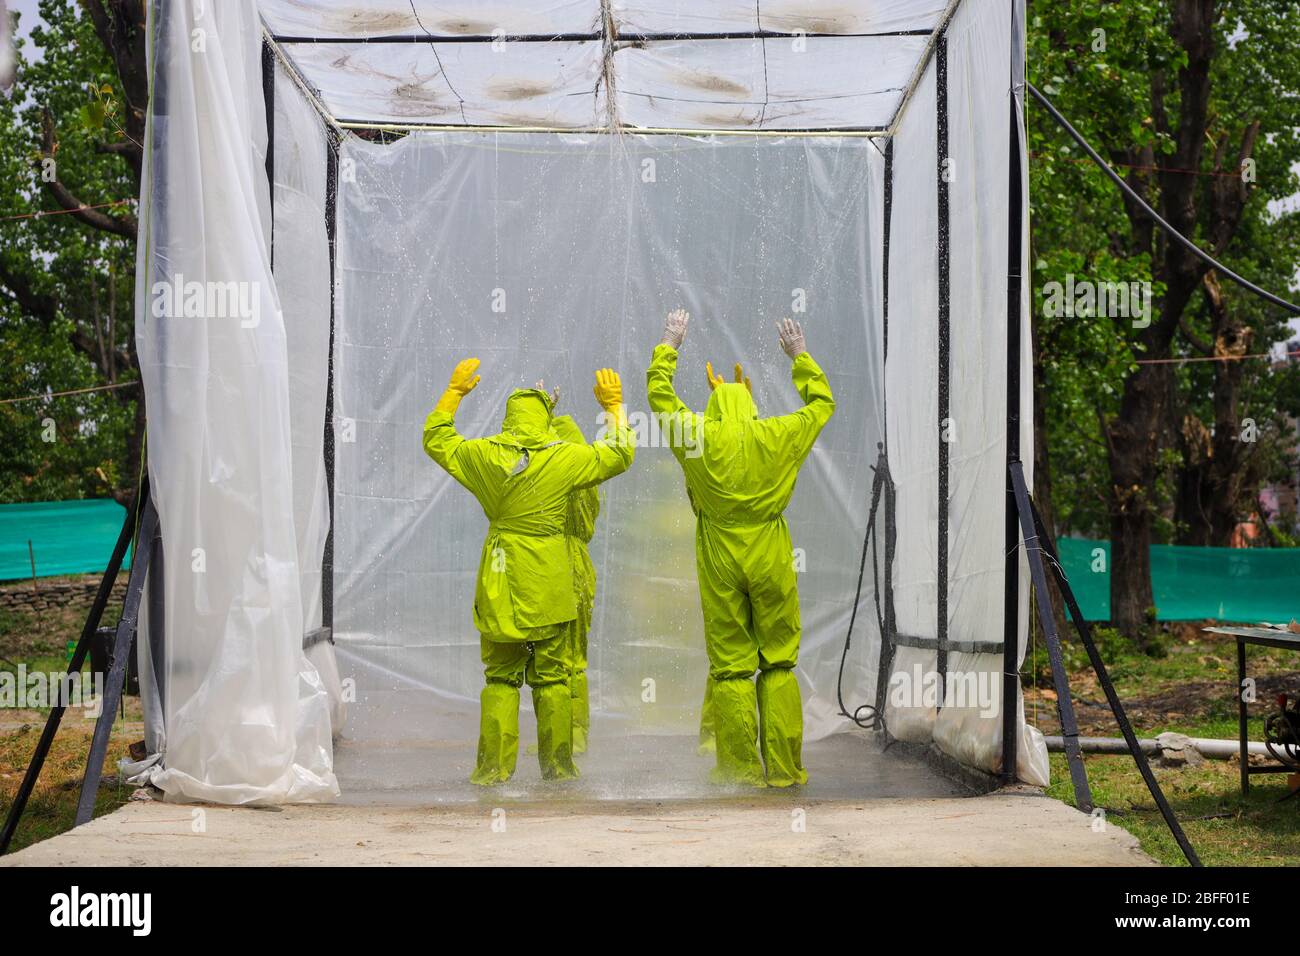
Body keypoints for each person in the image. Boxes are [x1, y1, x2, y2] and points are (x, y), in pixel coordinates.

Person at [422, 359, 634, 785]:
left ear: (508, 419)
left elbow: (436, 438)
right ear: (547, 422)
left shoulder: (484, 456)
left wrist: (455, 392)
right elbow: (620, 453)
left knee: (500, 679)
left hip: (501, 581)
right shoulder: (565, 458)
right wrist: (615, 406)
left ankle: (492, 772)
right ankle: (558, 769)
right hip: (550, 581)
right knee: (553, 678)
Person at [646, 312, 835, 787]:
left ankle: (739, 773)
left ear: (713, 406)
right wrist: (800, 357)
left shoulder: (699, 436)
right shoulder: (776, 433)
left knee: (731, 668)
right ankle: (785, 772)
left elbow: (659, 397)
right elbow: (822, 404)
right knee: (779, 662)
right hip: (770, 552)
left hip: (720, 555)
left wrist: (670, 343)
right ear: (749, 401)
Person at [549, 413, 601, 755]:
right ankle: (575, 736)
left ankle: (555, 737)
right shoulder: (587, 472)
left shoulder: (543, 470)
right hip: (580, 565)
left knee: (550, 660)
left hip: (546, 563)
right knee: (575, 658)